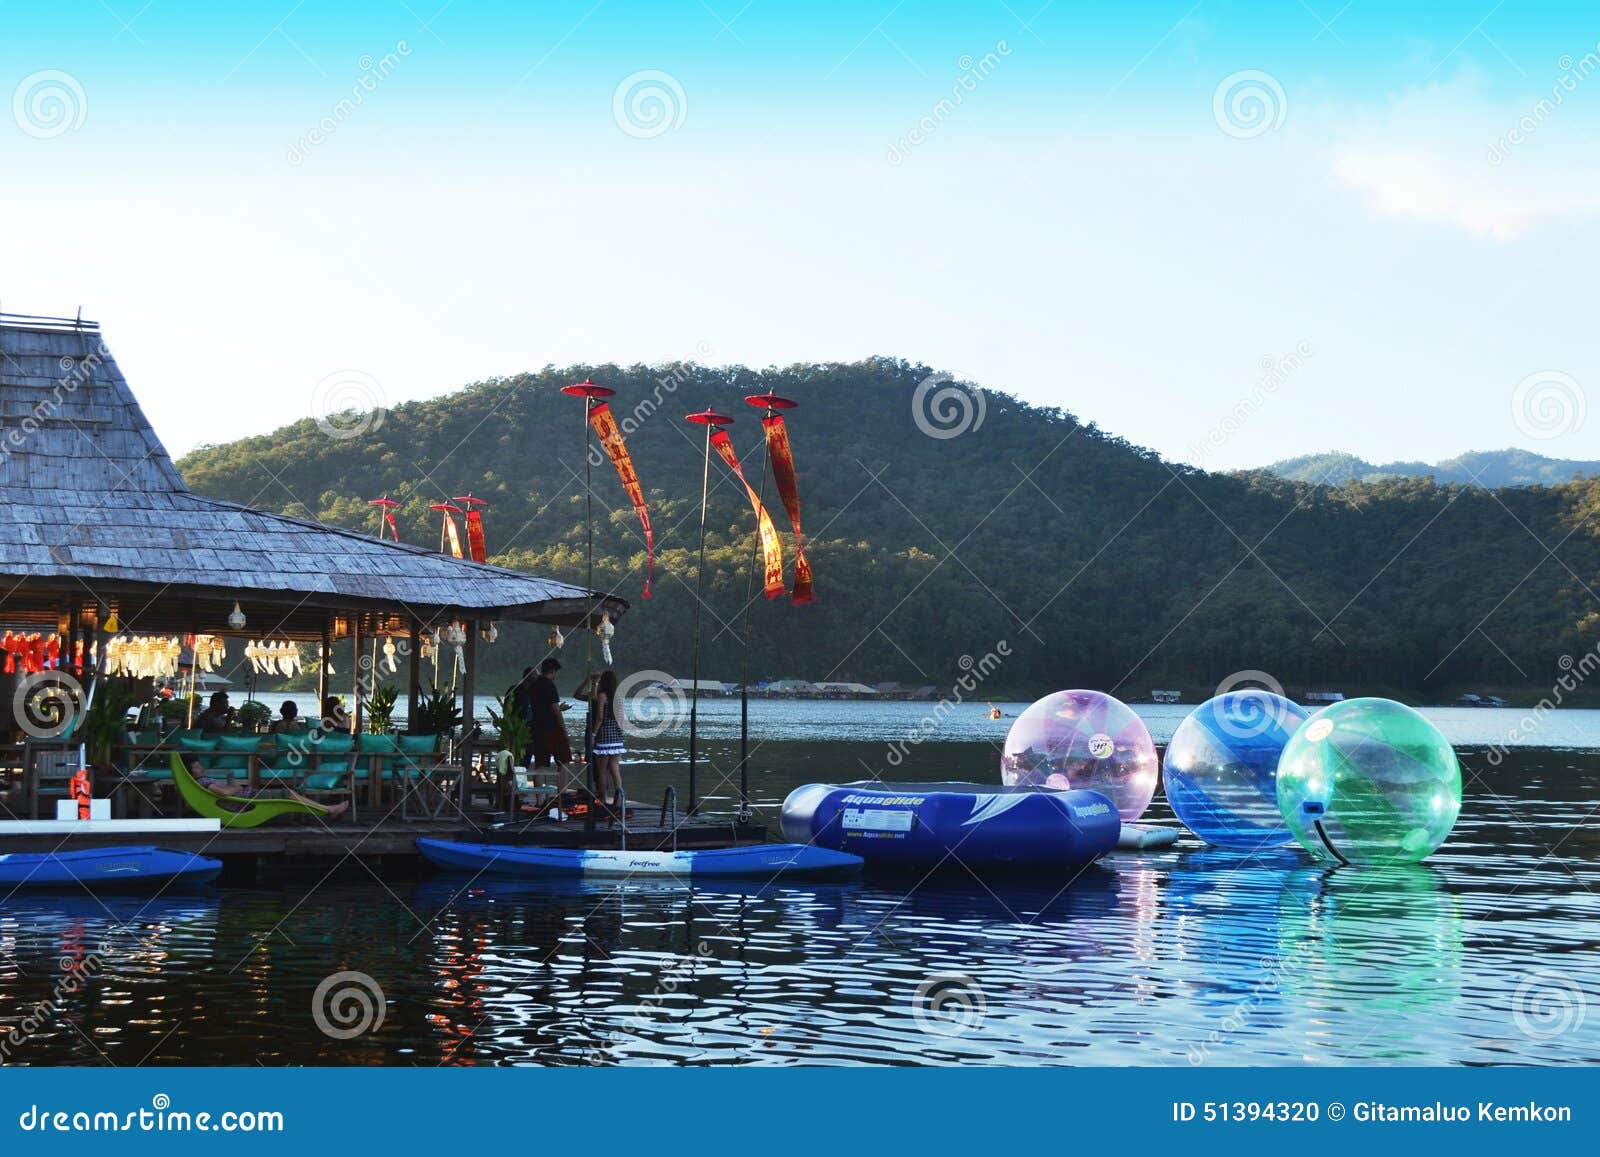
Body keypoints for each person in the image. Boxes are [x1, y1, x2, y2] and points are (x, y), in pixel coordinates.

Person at [189, 757, 349, 819]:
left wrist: (233, 786)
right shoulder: (204, 782)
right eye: (196, 767)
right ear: (192, 773)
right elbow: (224, 793)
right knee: (288, 794)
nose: (201, 767)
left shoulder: (202, 781)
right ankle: (328, 809)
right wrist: (235, 787)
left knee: (291, 794)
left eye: (199, 764)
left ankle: (327, 809)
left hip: (248, 796)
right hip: (248, 799)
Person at [526, 658, 574, 781]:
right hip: (552, 728)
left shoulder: (533, 685)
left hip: (537, 728)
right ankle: (562, 795)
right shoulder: (549, 685)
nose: (556, 675)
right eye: (556, 672)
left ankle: (539, 799)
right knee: (563, 761)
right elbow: (555, 710)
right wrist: (564, 729)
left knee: (540, 764)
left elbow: (540, 707)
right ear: (552, 670)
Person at [587, 669, 627, 807]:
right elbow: (622, 719)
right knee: (615, 769)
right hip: (617, 735)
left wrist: (593, 734)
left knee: (601, 770)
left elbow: (599, 717)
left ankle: (603, 799)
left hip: (604, 734)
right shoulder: (619, 696)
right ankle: (619, 799)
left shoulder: (603, 696)